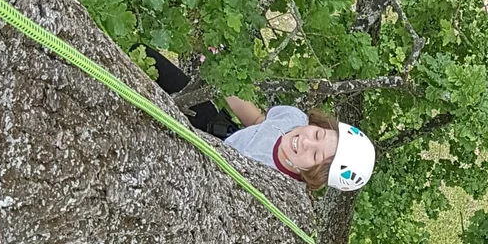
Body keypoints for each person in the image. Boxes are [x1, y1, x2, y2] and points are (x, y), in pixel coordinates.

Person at [148, 49, 375, 195]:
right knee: (147, 58)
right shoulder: (294, 119)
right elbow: (258, 121)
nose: (306, 142)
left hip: (204, 171)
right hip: (215, 133)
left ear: (314, 174)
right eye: (318, 135)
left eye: (315, 156)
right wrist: (224, 79)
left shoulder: (279, 189)